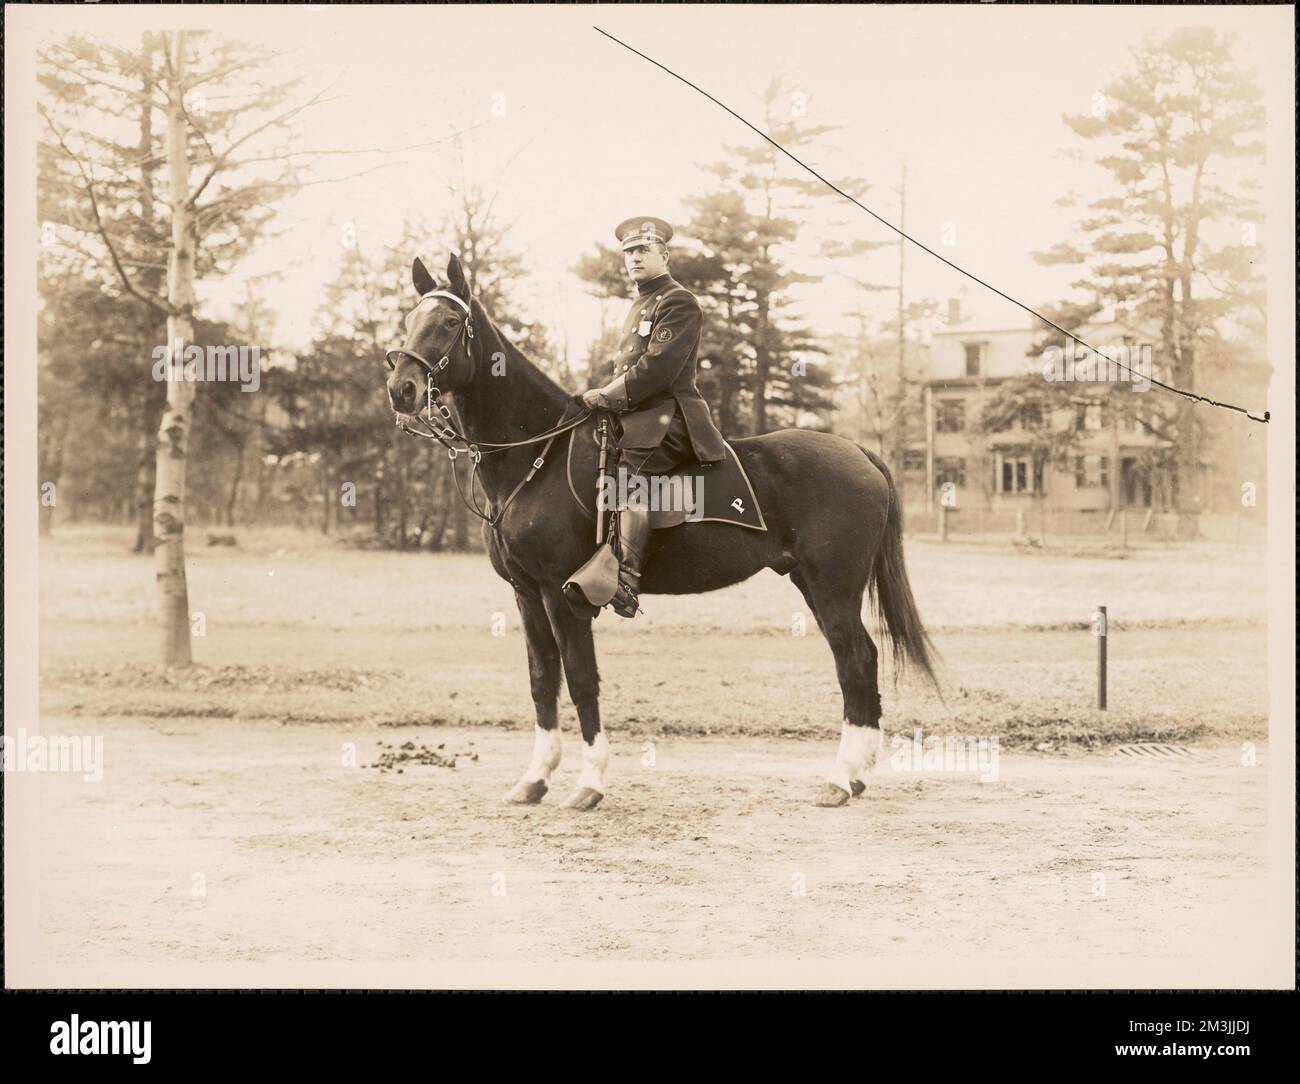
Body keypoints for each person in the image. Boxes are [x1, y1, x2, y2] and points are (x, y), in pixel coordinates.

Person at [581, 216, 727, 617]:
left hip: (670, 416)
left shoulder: (678, 301)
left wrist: (607, 395)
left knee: (629, 476)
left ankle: (626, 579)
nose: (634, 258)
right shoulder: (640, 304)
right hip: (639, 416)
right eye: (628, 252)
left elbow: (658, 369)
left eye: (643, 250)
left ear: (664, 254)